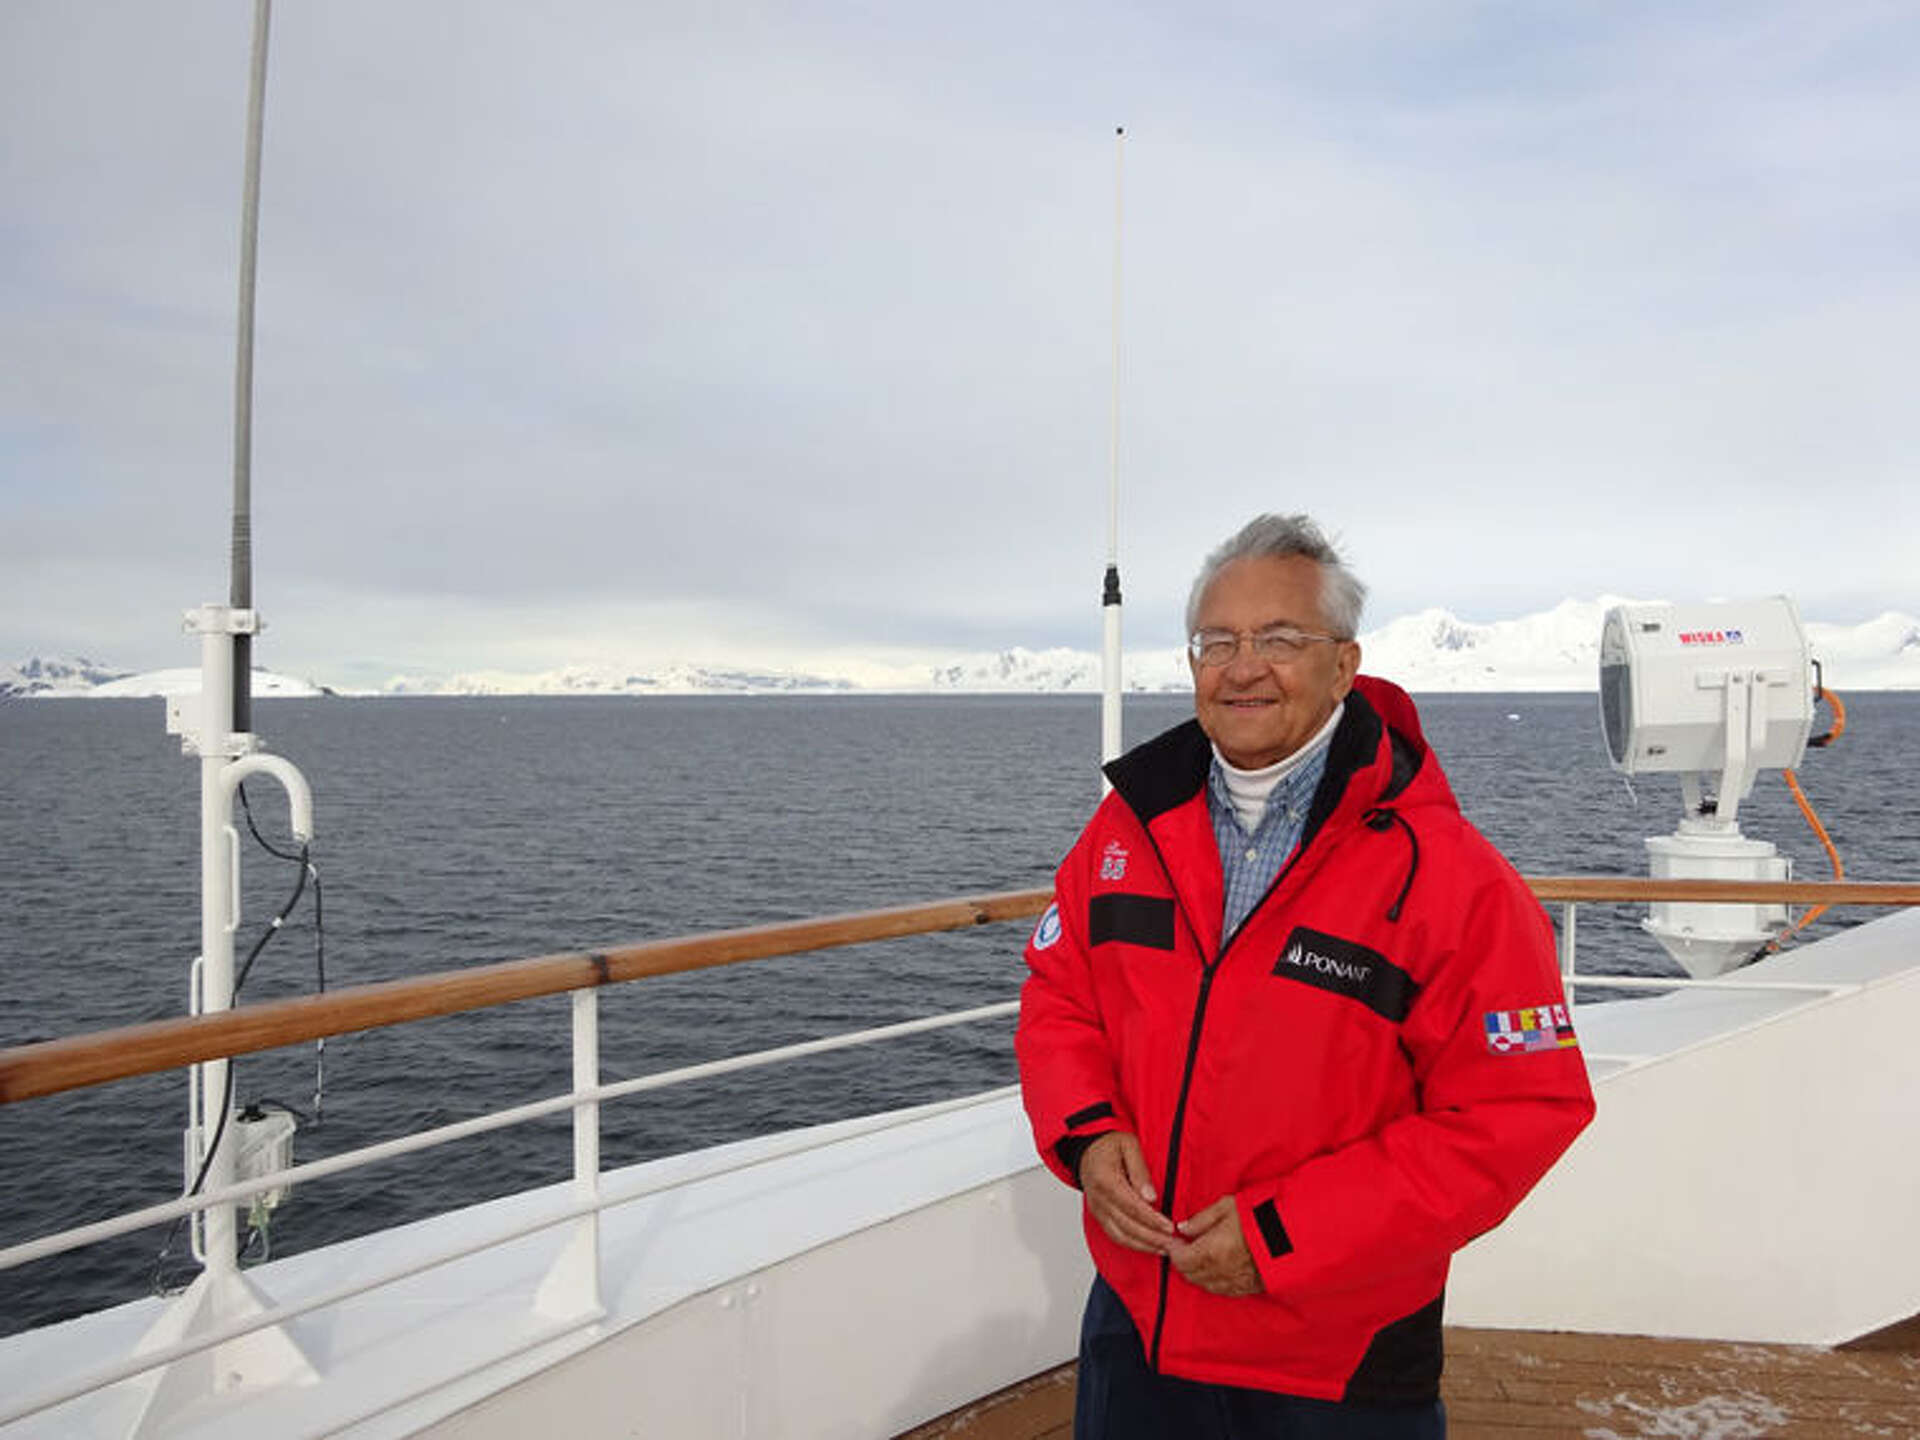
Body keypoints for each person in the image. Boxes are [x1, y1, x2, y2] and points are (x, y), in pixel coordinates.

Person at [1016, 514, 1595, 1438]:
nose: (1243, 667)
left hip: (1337, 1359)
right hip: (1140, 1322)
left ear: (1344, 665)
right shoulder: (1127, 832)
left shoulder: (1448, 877)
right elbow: (1062, 995)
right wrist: (1087, 1135)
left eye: (1280, 639)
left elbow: (1521, 1109)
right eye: (1217, 642)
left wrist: (1285, 1236)